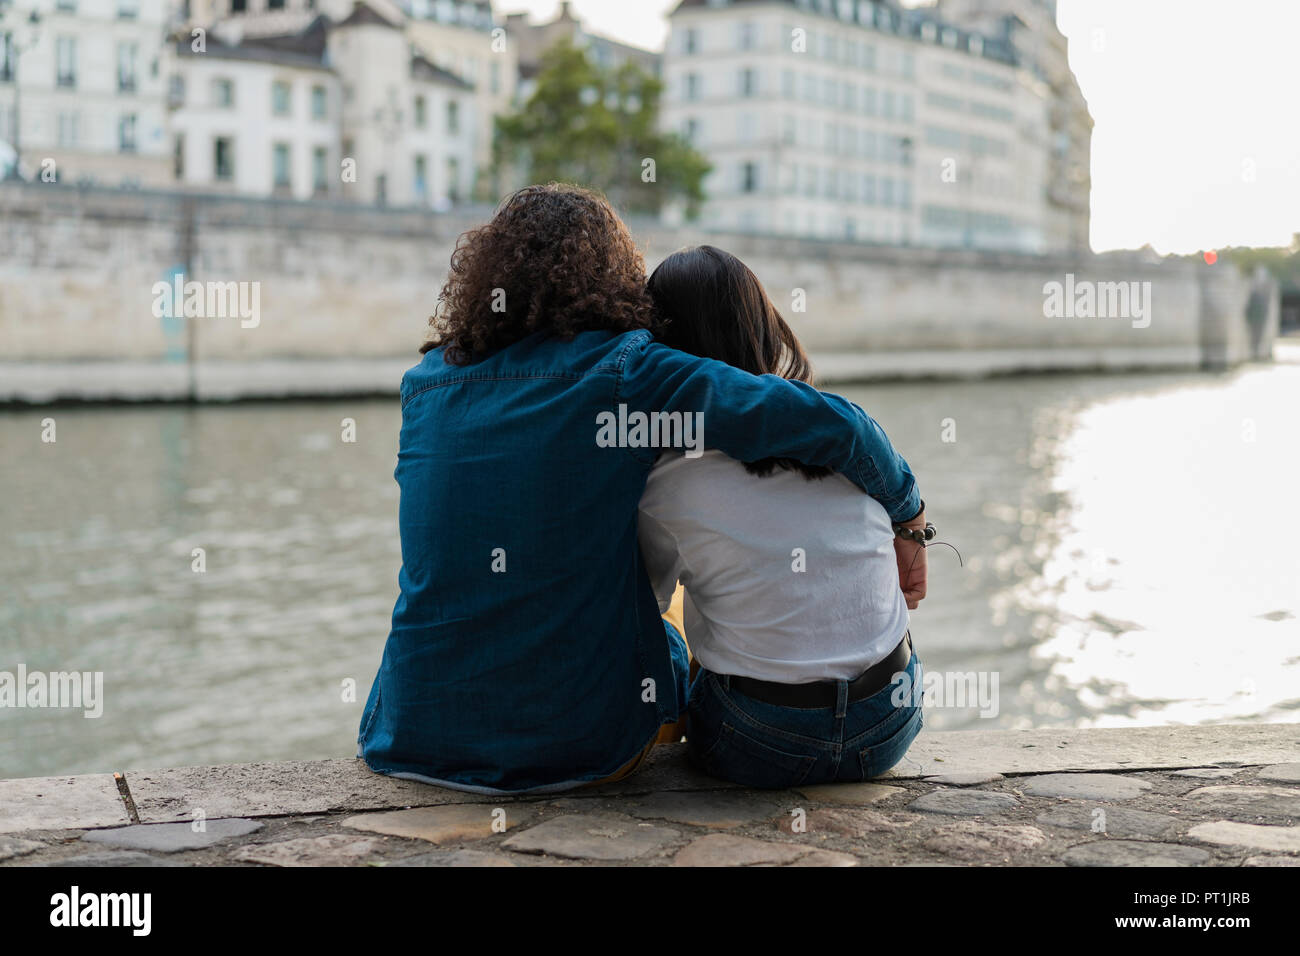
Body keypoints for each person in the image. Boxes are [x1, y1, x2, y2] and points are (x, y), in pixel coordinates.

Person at [357, 185, 923, 794]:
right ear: (615, 278)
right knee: (667, 596)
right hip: (578, 748)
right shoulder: (630, 370)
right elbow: (833, 422)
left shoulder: (424, 385)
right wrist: (910, 519)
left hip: (413, 735)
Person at [639, 245, 928, 790]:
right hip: (890, 725)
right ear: (763, 327)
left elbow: (644, 609)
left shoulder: (666, 478)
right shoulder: (841, 440)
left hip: (760, 742)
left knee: (672, 629)